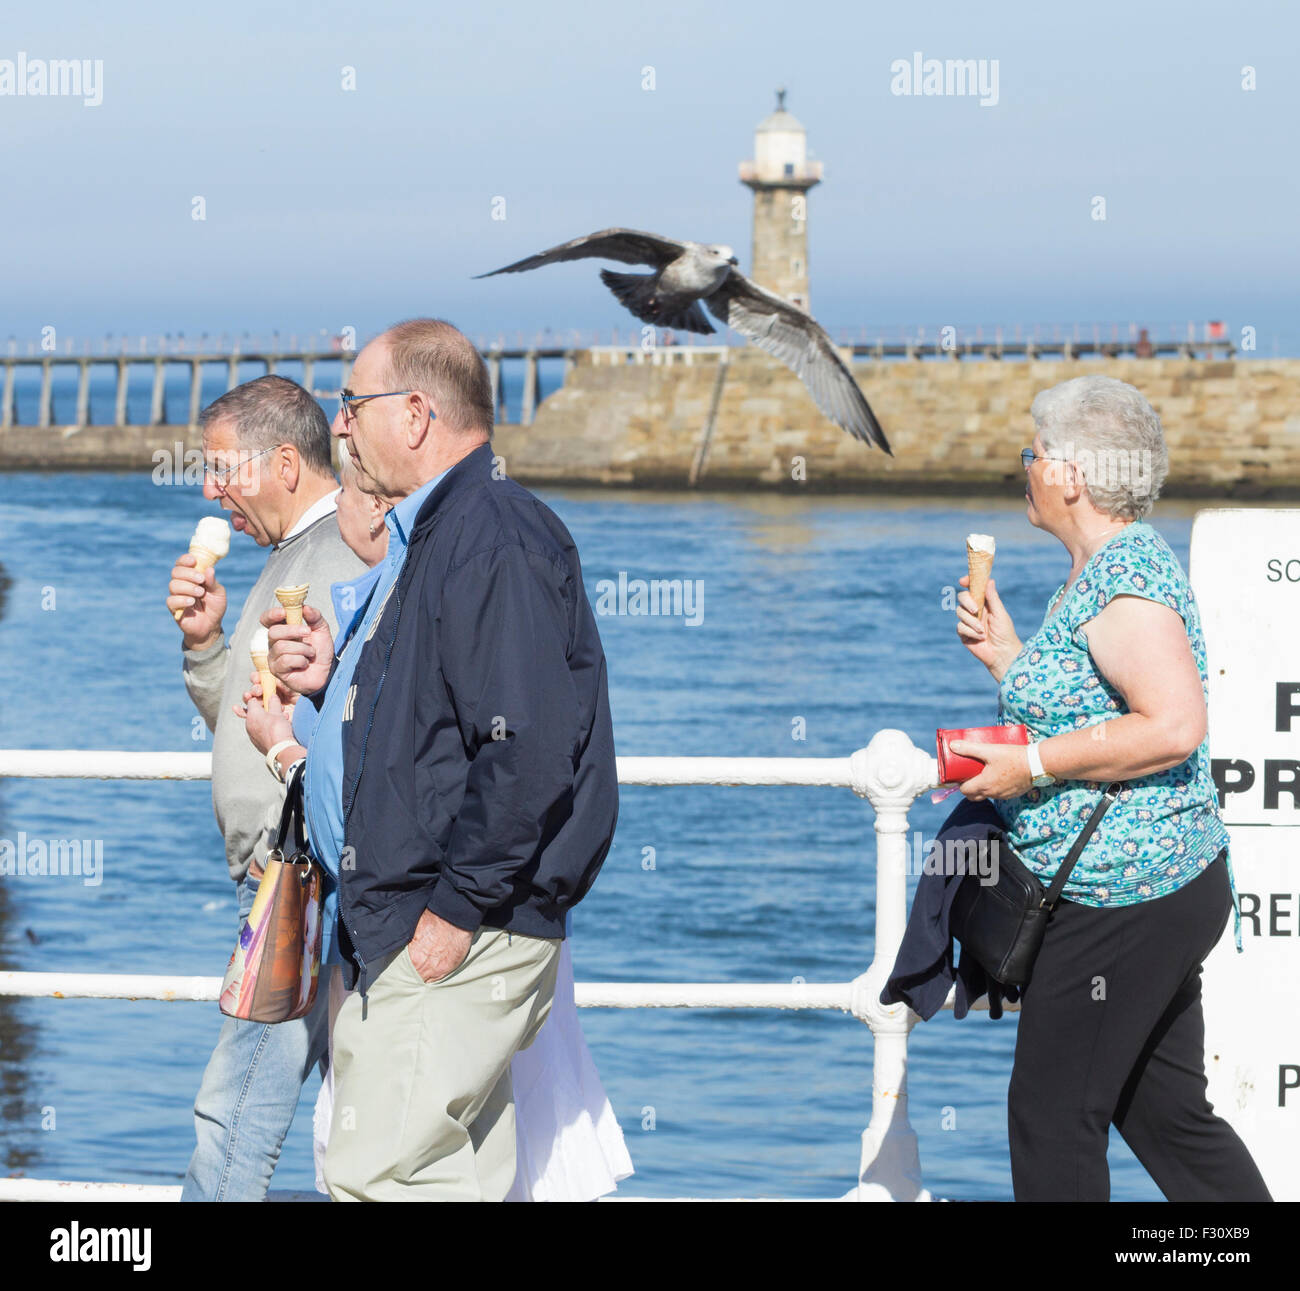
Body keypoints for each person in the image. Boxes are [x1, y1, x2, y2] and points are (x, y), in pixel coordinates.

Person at [265, 318, 619, 1201]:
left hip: (453, 927)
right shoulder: (441, 533)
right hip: (416, 919)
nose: (337, 426)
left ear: (416, 413)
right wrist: (326, 687)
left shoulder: (490, 533)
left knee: (378, 1176)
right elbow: (431, 725)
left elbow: (527, 745)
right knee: (444, 1179)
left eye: (352, 404)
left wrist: (455, 910)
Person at [949, 374, 1271, 1202]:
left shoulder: (1127, 584)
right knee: (1165, 1117)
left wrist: (1031, 766)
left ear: (1072, 476)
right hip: (1152, 890)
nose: (1026, 466)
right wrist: (1011, 657)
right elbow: (1095, 702)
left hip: (1127, 897)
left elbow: (1172, 725)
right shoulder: (1101, 570)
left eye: (1036, 452)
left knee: (1050, 1119)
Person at [166, 375, 366, 1201]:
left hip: (305, 884)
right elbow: (254, 722)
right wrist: (208, 643)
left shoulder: (341, 556)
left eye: (224, 470)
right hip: (294, 880)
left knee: (235, 1119)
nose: (212, 491)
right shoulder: (292, 558)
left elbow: (349, 728)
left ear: (285, 461)